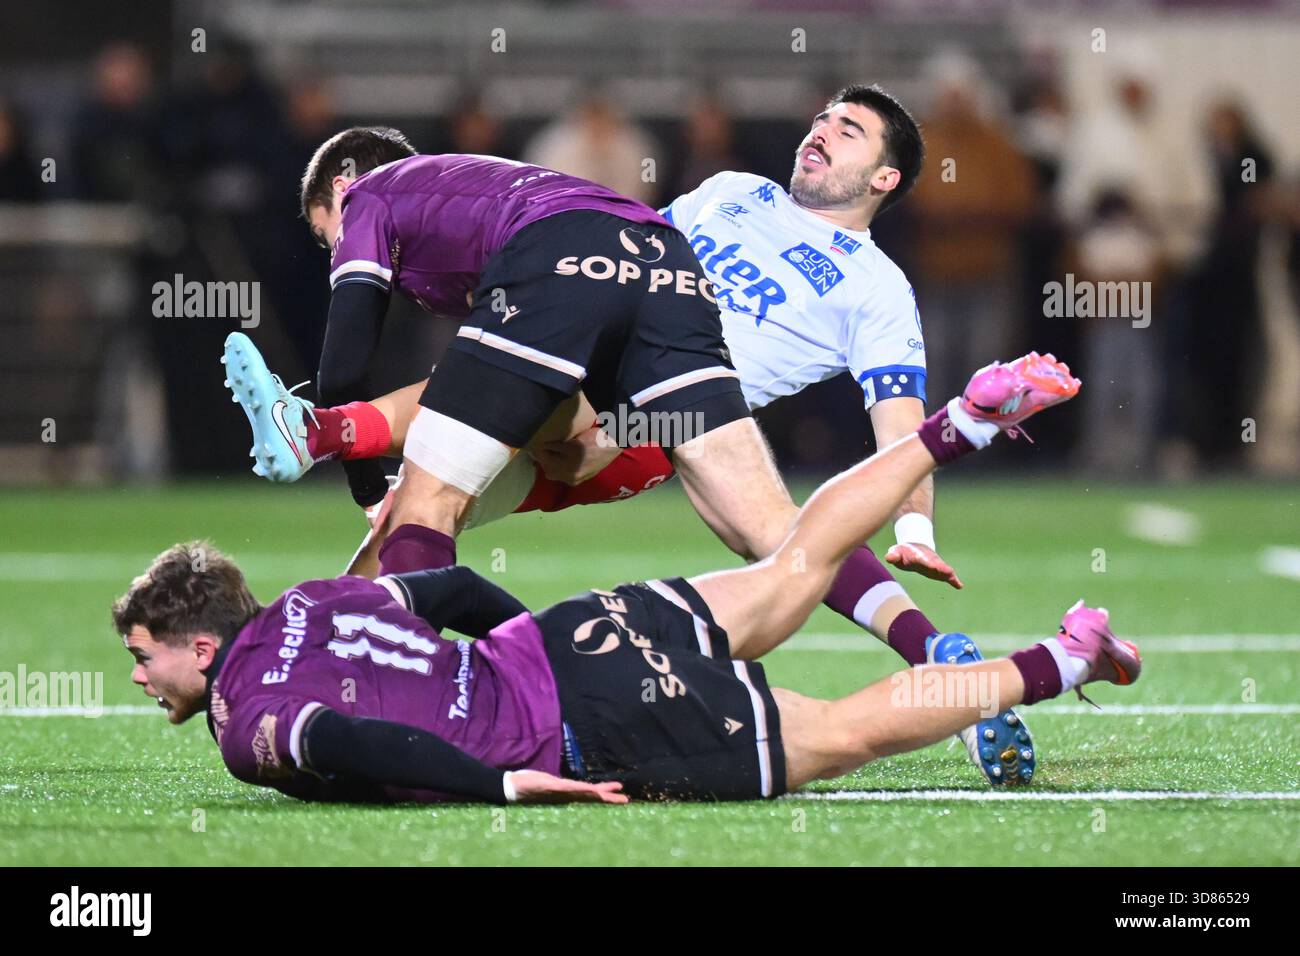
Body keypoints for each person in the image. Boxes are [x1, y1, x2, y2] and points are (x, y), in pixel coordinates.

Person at [225, 86, 1047, 785]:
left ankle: (324, 431)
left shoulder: (877, 288)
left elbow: (900, 426)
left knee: (749, 525)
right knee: (416, 512)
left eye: (850, 129)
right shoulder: (730, 191)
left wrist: (914, 526)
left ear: (886, 176)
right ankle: (327, 663)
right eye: (825, 116)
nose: (822, 130)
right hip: (600, 362)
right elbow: (619, 262)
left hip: (667, 416)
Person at [119, 353, 1138, 803]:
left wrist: (504, 779)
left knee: (847, 726)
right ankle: (954, 426)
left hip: (585, 726)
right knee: (793, 561)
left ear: (202, 644)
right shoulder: (313, 596)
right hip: (570, 638)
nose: (138, 678)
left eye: (142, 656)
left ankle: (1065, 654)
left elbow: (344, 738)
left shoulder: (242, 722)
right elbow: (463, 597)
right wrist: (550, 653)